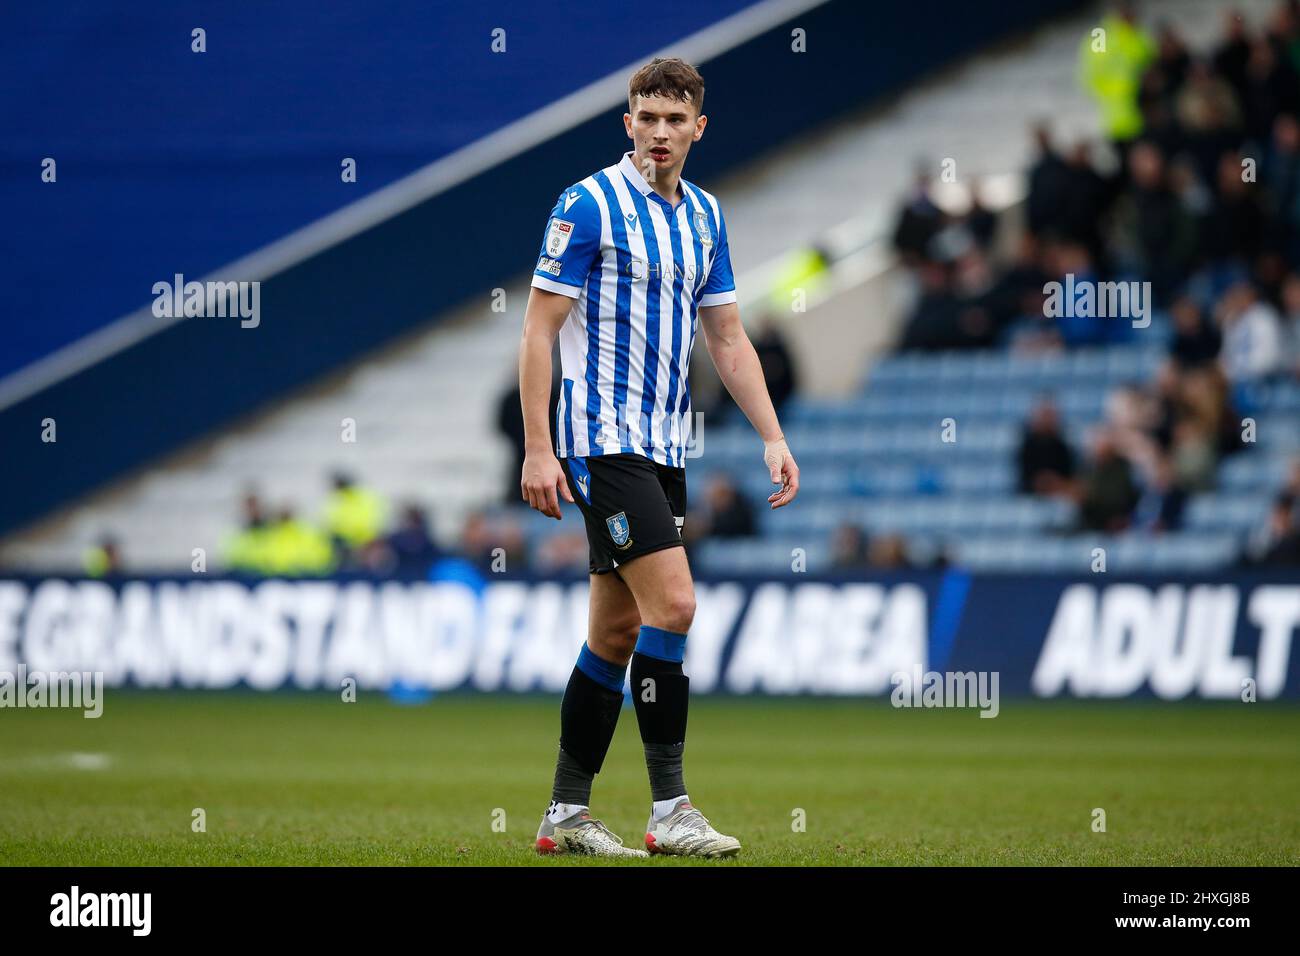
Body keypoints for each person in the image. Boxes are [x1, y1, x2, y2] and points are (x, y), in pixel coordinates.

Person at [517, 57, 799, 858]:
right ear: (628, 123)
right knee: (674, 607)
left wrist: (773, 435)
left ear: (699, 127)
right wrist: (539, 447)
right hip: (601, 440)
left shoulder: (707, 216)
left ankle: (565, 816)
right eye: (648, 117)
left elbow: (728, 337)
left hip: (666, 444)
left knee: (614, 633)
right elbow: (537, 331)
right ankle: (671, 807)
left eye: (677, 119)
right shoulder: (587, 204)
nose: (661, 132)